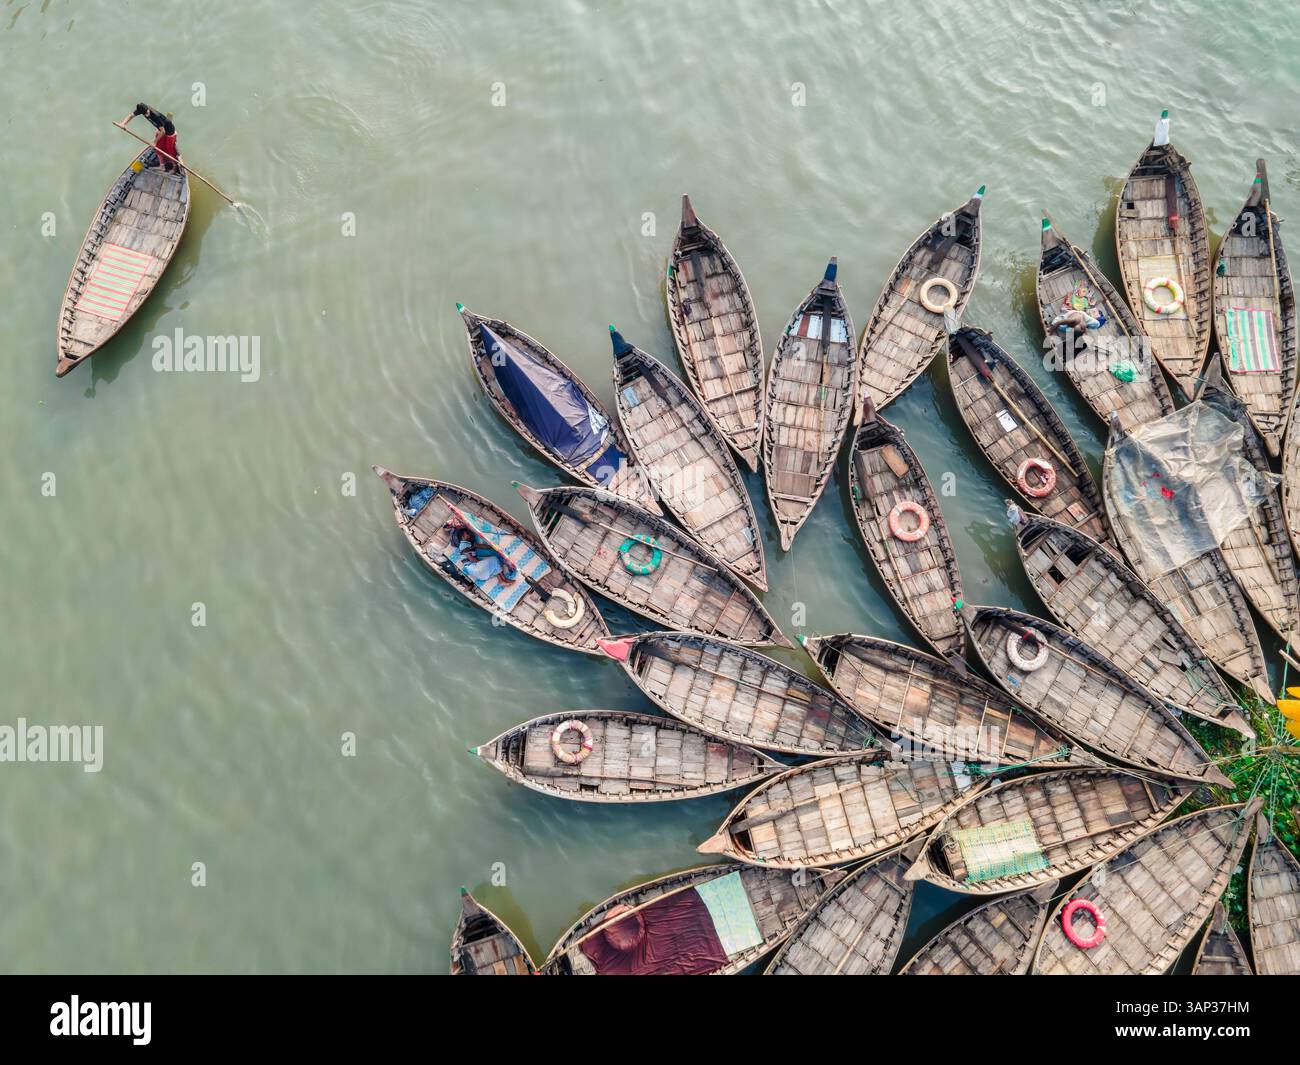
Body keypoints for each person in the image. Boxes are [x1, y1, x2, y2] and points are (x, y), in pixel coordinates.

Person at [132, 103, 182, 174]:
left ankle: (174, 167)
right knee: (158, 147)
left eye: (147, 113)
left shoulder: (155, 116)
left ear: (148, 109)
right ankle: (162, 166)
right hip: (161, 130)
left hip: (170, 133)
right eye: (145, 114)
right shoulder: (142, 109)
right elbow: (131, 115)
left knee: (170, 150)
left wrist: (154, 142)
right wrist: (123, 124)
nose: (147, 115)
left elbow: (163, 131)